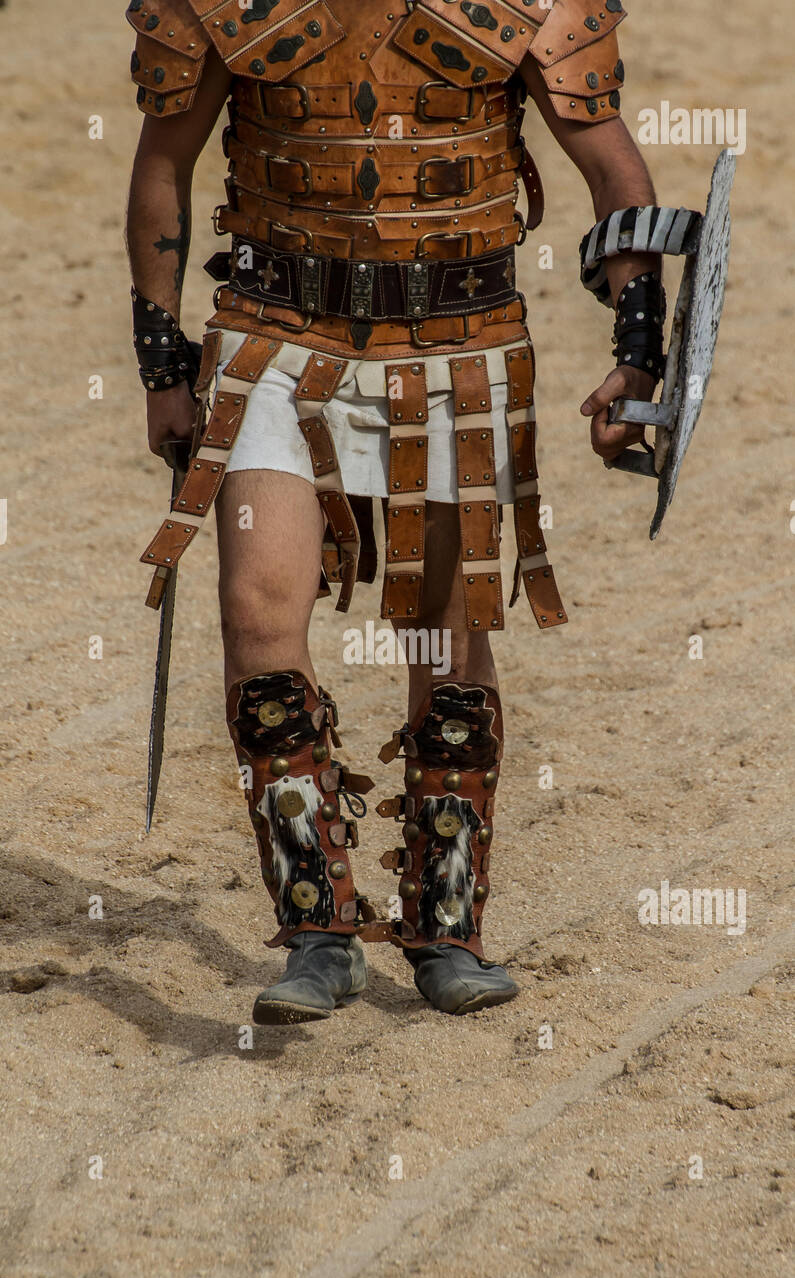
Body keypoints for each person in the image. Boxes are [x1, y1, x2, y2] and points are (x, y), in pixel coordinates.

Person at [126, 0, 664, 1021]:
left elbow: (612, 169)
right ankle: (318, 929)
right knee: (258, 613)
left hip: (456, 337)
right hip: (273, 334)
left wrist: (639, 350)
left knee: (445, 637)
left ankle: (445, 927)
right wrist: (162, 365)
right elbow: (164, 166)